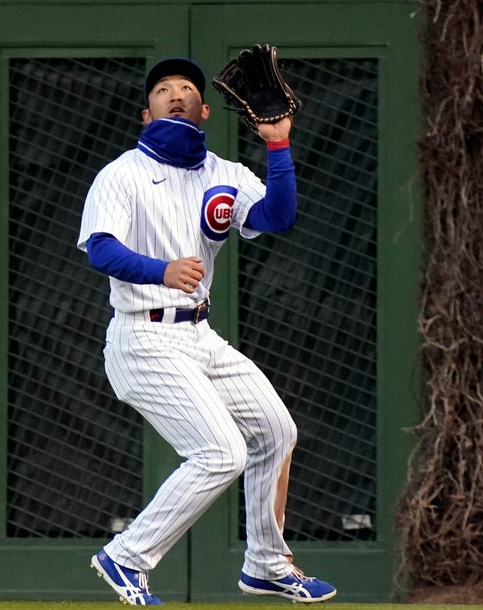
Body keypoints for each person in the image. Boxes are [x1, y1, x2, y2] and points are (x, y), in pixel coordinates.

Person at [77, 56, 337, 605]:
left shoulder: (223, 172)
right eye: (163, 89)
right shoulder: (121, 173)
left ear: (206, 108)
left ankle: (266, 564)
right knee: (221, 452)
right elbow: (100, 248)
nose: (176, 94)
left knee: (276, 432)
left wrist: (277, 145)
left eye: (187, 88)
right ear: (145, 113)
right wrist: (162, 270)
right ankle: (126, 556)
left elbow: (276, 217)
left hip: (198, 335)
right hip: (142, 336)